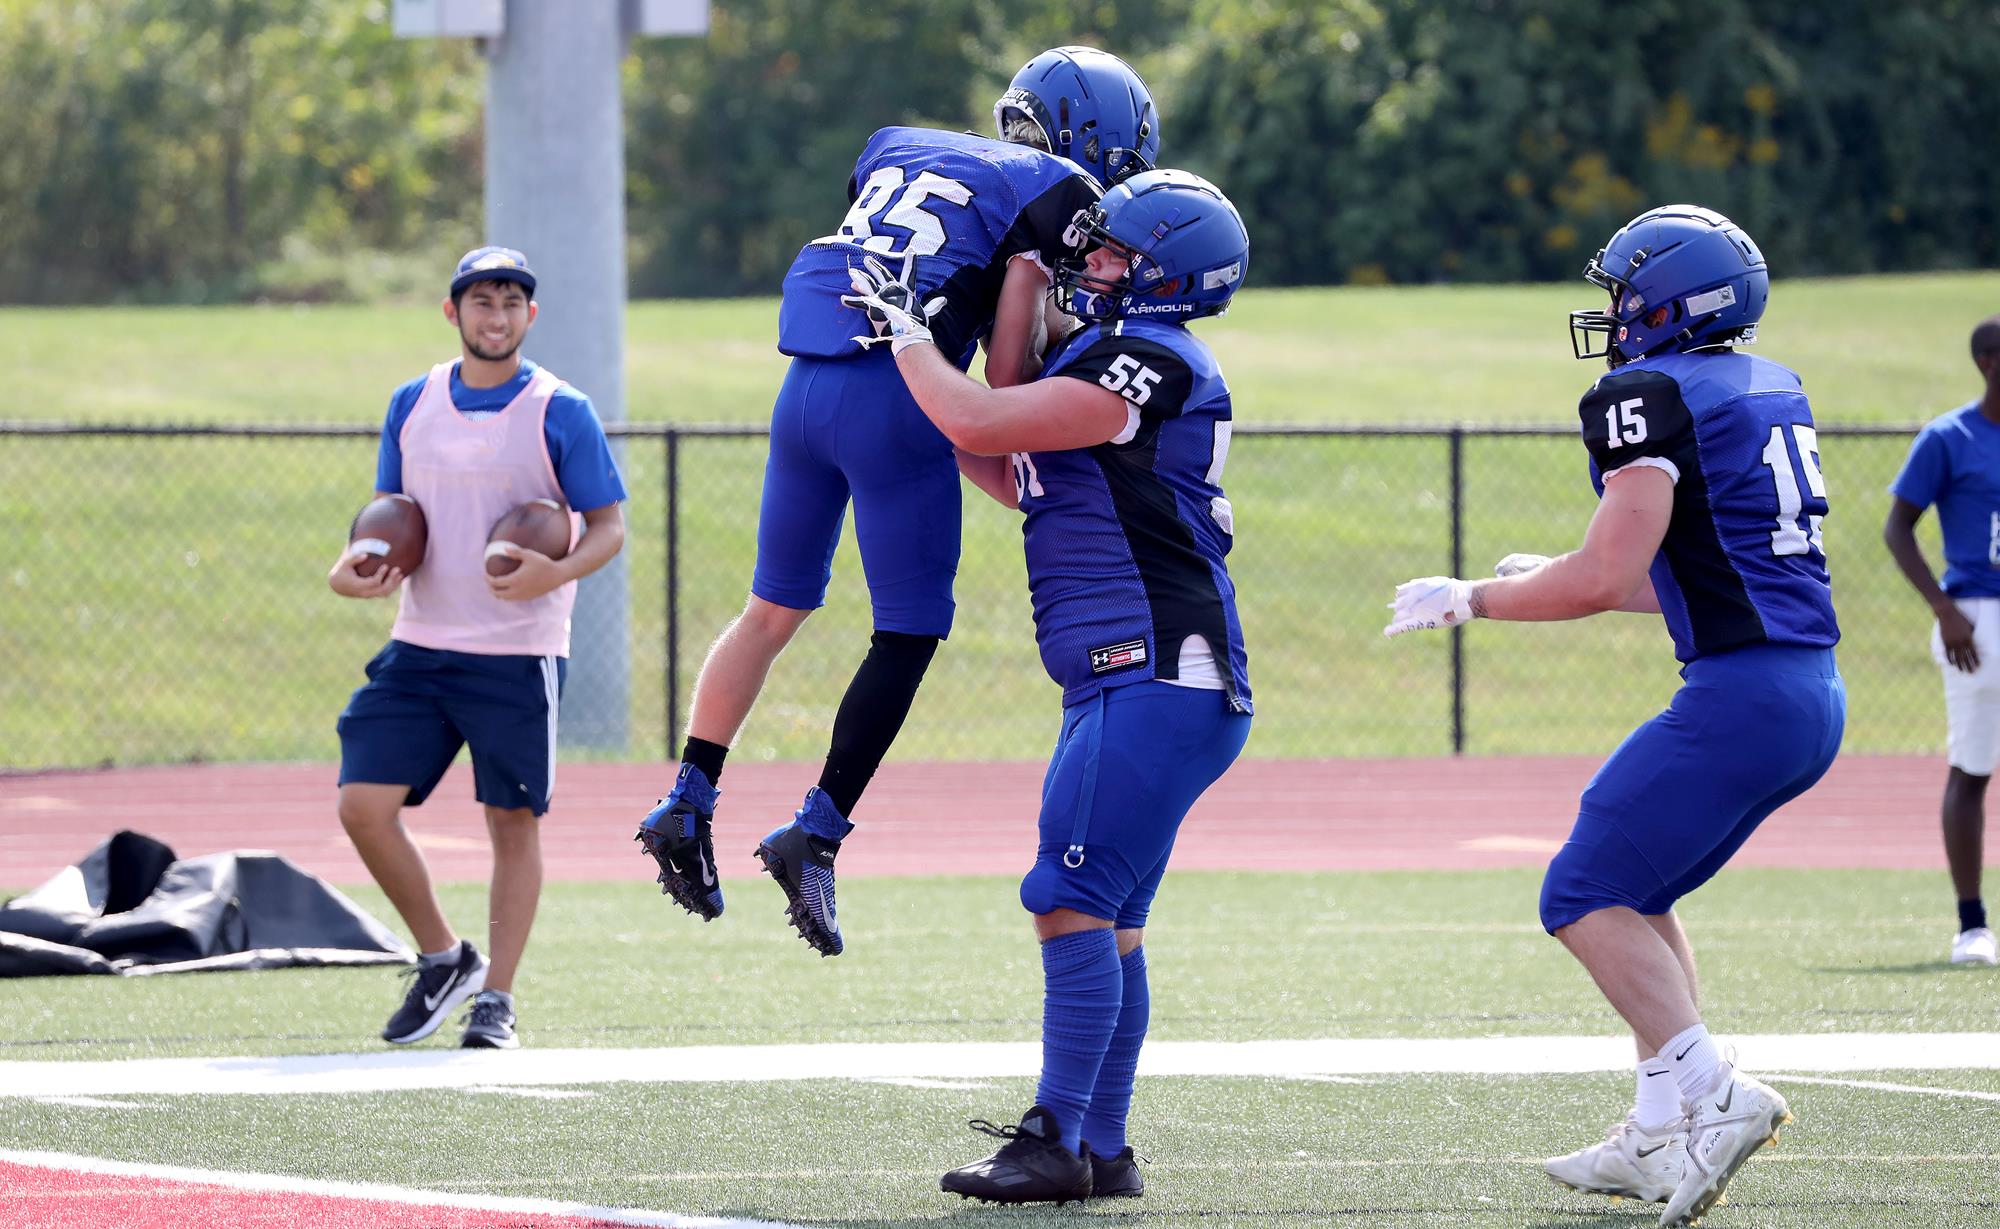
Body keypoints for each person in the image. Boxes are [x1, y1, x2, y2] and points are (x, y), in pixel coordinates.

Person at [634, 47, 1161, 958]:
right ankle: (819, 829)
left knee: (772, 608)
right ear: (1101, 134)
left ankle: (688, 795)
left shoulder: (899, 146)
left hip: (802, 393)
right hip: (893, 402)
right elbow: (999, 381)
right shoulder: (1063, 194)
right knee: (909, 629)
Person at [1385, 205, 1844, 1228]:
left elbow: (1604, 575)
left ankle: (1712, 1091)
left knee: (1579, 888)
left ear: (1677, 299)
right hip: (1804, 686)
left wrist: (1472, 597)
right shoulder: (1765, 384)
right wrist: (1540, 572)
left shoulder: (1647, 393)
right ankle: (1650, 1130)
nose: (1613, 313)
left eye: (1626, 293)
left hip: (1744, 693)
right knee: (1637, 879)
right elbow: (1677, 573)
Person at [846, 169, 1251, 1204]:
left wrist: (908, 339)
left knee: (1066, 898)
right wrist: (1021, 275)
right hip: (1149, 675)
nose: (1092, 263)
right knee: (1108, 918)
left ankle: (1053, 1136)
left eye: (1111, 252)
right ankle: (1100, 1146)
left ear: (1158, 275)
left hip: (1148, 670)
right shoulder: (1125, 358)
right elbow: (1004, 461)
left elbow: (982, 420)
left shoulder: (1143, 356)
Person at [328, 246, 628, 1049]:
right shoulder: (413, 401)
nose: (495, 317)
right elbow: (391, 515)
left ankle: (496, 995)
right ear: (452, 312)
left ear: (529, 316)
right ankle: (443, 955)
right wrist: (355, 566)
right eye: (480, 302)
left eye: (510, 303)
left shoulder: (561, 409)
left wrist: (553, 573)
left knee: (511, 821)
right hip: (420, 644)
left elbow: (610, 527)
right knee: (362, 805)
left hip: (518, 650)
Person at [1883, 315, 2000, 967]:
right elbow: (1898, 528)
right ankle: (1972, 925)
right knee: (1973, 768)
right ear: (1988, 360)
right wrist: (1944, 607)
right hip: (1978, 616)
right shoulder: (1950, 437)